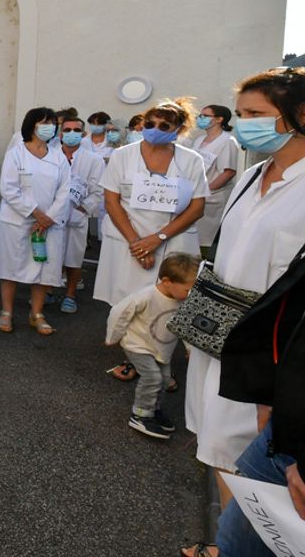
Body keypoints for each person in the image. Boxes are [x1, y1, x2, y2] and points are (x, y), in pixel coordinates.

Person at [180, 68, 305, 557]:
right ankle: (228, 543)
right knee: (217, 445)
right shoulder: (254, 174)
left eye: (257, 115)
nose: (244, 124)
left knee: (250, 455)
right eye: (242, 114)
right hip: (218, 336)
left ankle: (238, 545)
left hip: (270, 349)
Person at [95, 97, 207, 385]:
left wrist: (157, 239)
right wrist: (137, 243)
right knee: (129, 301)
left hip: (172, 241)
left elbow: (197, 207)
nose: (155, 128)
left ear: (179, 129)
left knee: (168, 303)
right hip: (127, 240)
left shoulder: (191, 160)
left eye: (164, 125)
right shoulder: (123, 156)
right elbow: (112, 200)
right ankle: (132, 359)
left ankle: (162, 362)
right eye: (150, 123)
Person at [0, 107, 70, 335]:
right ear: (31, 125)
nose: (50, 127)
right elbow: (8, 188)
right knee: (10, 267)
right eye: (44, 122)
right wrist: (36, 213)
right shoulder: (16, 154)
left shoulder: (58, 156)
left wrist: (48, 218)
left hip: (49, 225)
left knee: (44, 268)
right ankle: (6, 311)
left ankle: (37, 313)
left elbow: (65, 190)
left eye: (53, 123)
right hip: (17, 221)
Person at [104, 252, 199, 439]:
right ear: (166, 281)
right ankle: (140, 414)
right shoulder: (145, 296)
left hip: (162, 348)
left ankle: (153, 410)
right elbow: (119, 313)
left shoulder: (182, 301)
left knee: (164, 379)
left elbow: (184, 325)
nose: (191, 294)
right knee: (153, 377)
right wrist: (113, 337)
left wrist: (190, 348)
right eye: (188, 289)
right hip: (138, 345)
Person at [57, 114, 106, 314]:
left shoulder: (93, 160)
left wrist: (83, 208)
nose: (71, 134)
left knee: (74, 258)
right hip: (51, 216)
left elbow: (99, 189)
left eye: (76, 131)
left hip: (77, 216)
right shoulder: (51, 155)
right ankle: (48, 290)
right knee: (50, 255)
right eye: (67, 130)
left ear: (83, 134)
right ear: (60, 134)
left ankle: (70, 295)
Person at [188, 104, 240, 255]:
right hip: (196, 196)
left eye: (205, 116)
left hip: (213, 198)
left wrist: (204, 191)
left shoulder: (227, 141)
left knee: (208, 241)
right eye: (200, 116)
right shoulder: (199, 140)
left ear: (219, 119)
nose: (200, 119)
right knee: (194, 241)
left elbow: (228, 172)